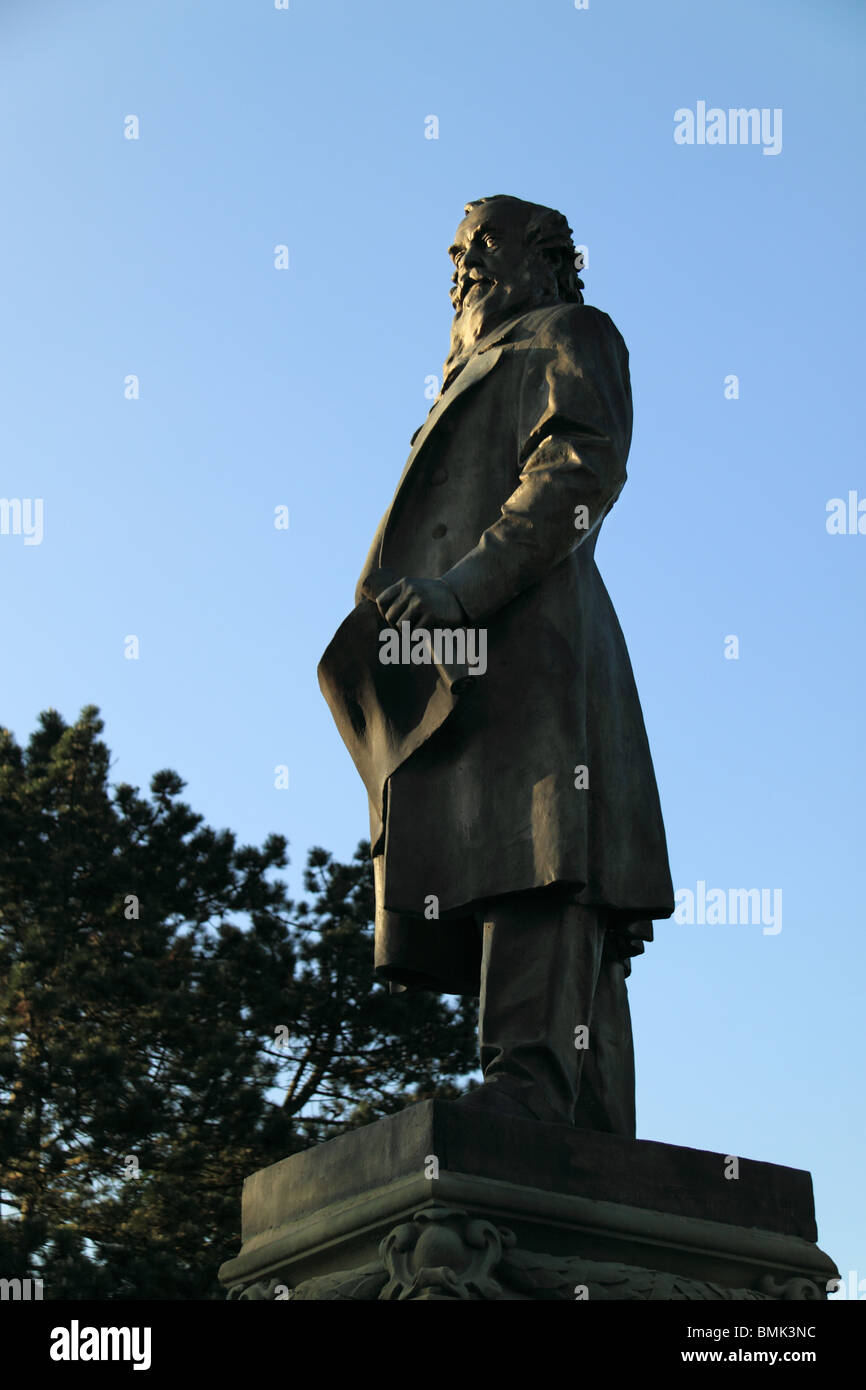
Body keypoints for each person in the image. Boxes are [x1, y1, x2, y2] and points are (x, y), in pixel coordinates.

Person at [319, 195, 674, 1135]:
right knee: (535, 867)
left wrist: (464, 589)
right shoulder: (466, 373)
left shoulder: (569, 331)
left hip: (526, 640)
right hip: (462, 654)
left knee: (539, 852)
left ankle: (529, 1084)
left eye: (479, 243)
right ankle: (593, 1134)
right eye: (454, 247)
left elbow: (577, 472)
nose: (458, 260)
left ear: (543, 257)